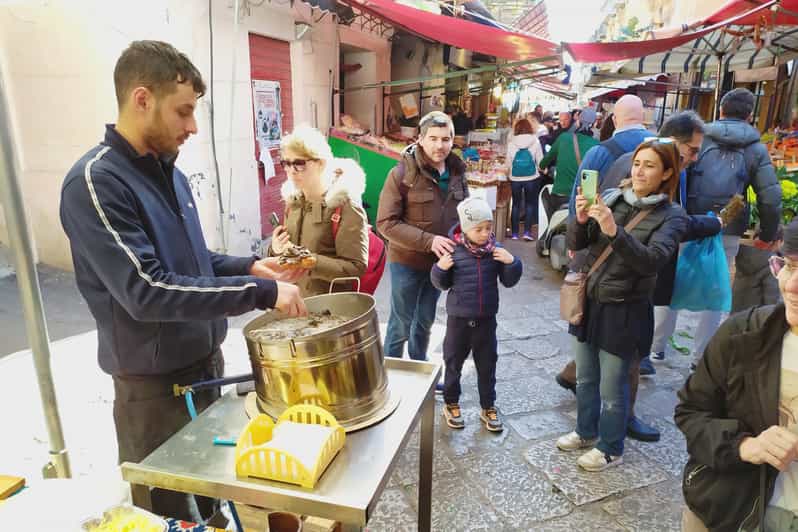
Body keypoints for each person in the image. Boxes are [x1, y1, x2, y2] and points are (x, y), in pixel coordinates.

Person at [59, 40, 306, 522]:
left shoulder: (169, 173)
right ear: (142, 98)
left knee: (213, 500)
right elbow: (146, 289)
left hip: (205, 369)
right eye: (184, 111)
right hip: (152, 391)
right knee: (165, 511)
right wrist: (262, 293)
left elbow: (193, 259)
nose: (193, 126)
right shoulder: (95, 183)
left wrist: (248, 267)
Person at [556, 139, 687, 472]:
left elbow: (652, 261)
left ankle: (611, 447)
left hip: (625, 309)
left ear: (668, 173)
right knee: (585, 378)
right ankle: (585, 431)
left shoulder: (671, 216)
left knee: (612, 388)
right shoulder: (613, 197)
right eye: (637, 163)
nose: (640, 171)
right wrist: (582, 220)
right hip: (590, 301)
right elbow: (576, 245)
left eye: (650, 165)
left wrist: (614, 230)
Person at [675, 221, 796, 532]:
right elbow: (691, 413)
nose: (791, 284)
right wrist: (746, 446)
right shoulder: (742, 335)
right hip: (728, 509)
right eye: (788, 266)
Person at [678, 88, 782, 368]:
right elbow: (770, 197)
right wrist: (768, 233)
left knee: (670, 277)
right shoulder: (756, 148)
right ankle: (700, 357)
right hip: (730, 224)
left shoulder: (699, 138)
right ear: (750, 116)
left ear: (720, 110)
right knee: (715, 286)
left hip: (688, 218)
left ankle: (655, 349)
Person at [377, 111, 468, 360]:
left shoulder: (458, 173)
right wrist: (430, 241)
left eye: (446, 139)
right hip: (406, 262)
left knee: (425, 319)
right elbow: (386, 223)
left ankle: (420, 367)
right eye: (433, 138)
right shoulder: (400, 175)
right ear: (420, 139)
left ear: (453, 140)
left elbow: (464, 215)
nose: (440, 145)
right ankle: (391, 370)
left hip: (439, 265)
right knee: (401, 322)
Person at [431, 197, 522, 432]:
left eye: (488, 228)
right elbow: (441, 283)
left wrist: (512, 263)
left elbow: (509, 281)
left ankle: (488, 406)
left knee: (487, 363)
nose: (484, 234)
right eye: (478, 229)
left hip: (486, 319)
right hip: (458, 319)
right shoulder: (454, 251)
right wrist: (440, 268)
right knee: (453, 362)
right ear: (464, 228)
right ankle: (451, 402)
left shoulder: (497, 252)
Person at [269, 125, 369, 297]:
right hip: (292, 304)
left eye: (299, 163)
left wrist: (308, 261)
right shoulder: (293, 203)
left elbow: (356, 268)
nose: (291, 171)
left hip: (329, 310)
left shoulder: (345, 206)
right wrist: (275, 248)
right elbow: (283, 256)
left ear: (321, 163)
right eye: (286, 163)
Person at [568, 95, 651, 215]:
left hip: (605, 228)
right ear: (643, 117)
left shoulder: (598, 153)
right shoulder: (666, 150)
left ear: (614, 120)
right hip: (652, 228)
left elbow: (579, 206)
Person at [539, 108, 600, 212]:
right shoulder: (597, 145)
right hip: (583, 199)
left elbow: (543, 163)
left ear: (577, 122)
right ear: (594, 124)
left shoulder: (563, 138)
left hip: (560, 194)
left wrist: (544, 168)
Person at [506, 119, 544, 240]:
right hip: (531, 178)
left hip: (515, 178)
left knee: (516, 204)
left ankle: (515, 234)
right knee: (529, 204)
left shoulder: (511, 142)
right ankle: (527, 232)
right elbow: (540, 161)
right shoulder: (535, 141)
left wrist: (508, 172)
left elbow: (508, 162)